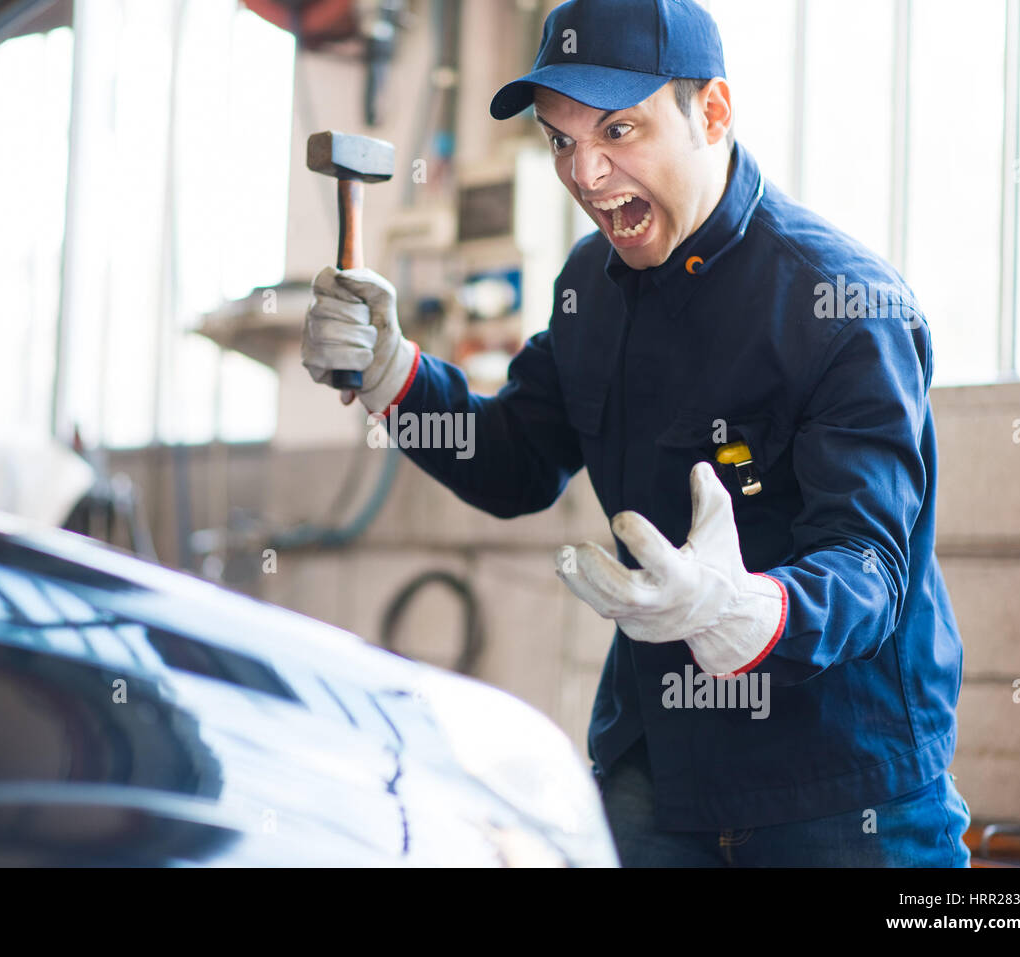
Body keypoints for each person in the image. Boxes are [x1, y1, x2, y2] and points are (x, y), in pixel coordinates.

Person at [300, 0, 969, 867]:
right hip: (658, 776)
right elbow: (515, 462)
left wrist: (747, 609)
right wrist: (396, 375)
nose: (588, 172)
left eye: (620, 129)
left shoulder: (842, 307)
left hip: (841, 791)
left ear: (713, 113)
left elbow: (870, 567)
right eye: (562, 141)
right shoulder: (591, 285)